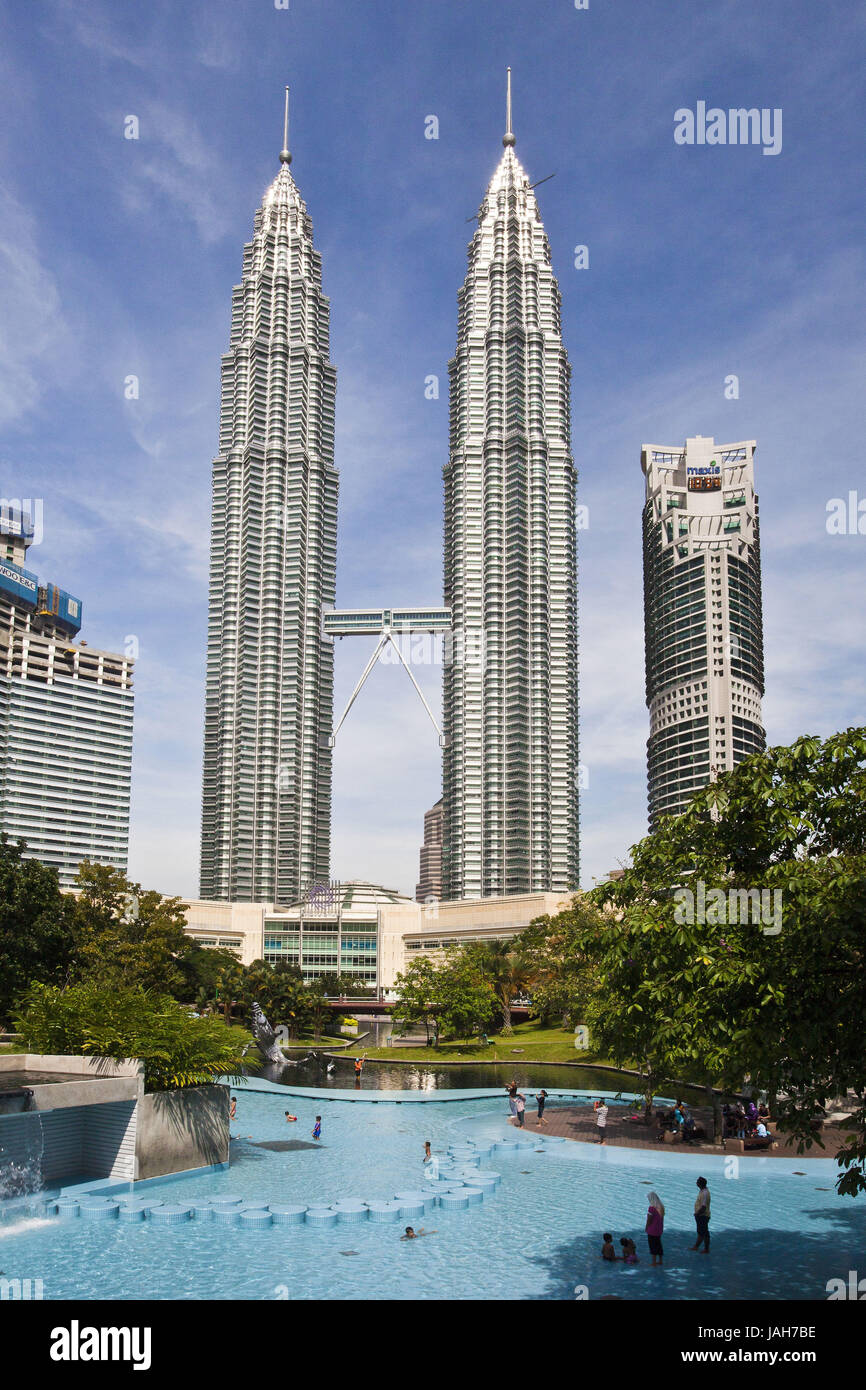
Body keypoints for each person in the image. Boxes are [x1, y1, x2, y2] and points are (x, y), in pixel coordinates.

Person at [691, 1177, 711, 1252]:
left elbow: (703, 1207)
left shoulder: (705, 1193)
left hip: (702, 1216)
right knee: (702, 1232)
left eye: (697, 1182)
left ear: (700, 1184)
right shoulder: (702, 1191)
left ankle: (702, 1248)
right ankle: (700, 1247)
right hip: (701, 1216)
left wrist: (697, 1213)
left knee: (703, 1233)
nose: (696, 1183)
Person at [645, 1192, 664, 1266]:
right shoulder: (661, 1207)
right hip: (659, 1229)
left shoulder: (651, 1208)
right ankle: (660, 1260)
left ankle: (654, 1262)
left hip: (652, 1230)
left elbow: (649, 1220)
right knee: (658, 1244)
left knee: (653, 1245)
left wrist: (646, 1227)